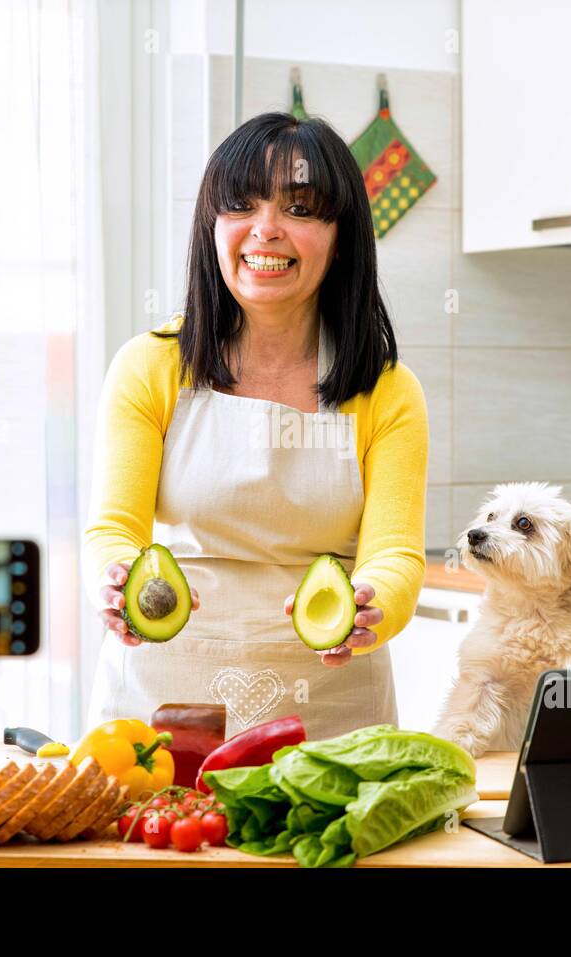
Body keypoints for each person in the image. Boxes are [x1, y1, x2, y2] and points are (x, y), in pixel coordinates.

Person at [82, 111, 428, 741]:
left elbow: (395, 554)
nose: (265, 231)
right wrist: (115, 580)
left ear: (342, 236)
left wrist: (374, 604)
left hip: (330, 721)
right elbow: (113, 530)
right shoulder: (150, 366)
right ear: (211, 226)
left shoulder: (388, 391)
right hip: (162, 718)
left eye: (299, 209)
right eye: (241, 204)